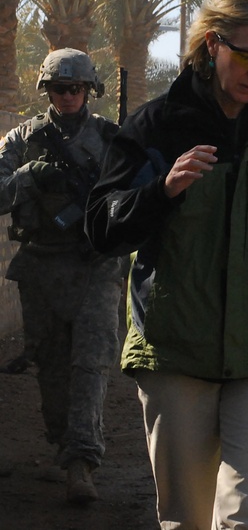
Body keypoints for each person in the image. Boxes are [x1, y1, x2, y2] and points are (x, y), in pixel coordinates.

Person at [84, 0, 248, 529]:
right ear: (211, 46)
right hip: (176, 348)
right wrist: (161, 192)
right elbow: (102, 231)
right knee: (187, 518)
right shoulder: (154, 128)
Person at [0, 48, 122, 503]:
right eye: (58, 88)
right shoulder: (22, 138)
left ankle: (81, 461)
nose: (68, 96)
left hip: (94, 268)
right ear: (45, 89)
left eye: (76, 88)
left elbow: (135, 198)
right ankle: (63, 446)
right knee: (50, 367)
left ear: (90, 90)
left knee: (90, 364)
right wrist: (29, 177)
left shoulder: (111, 138)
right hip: (41, 267)